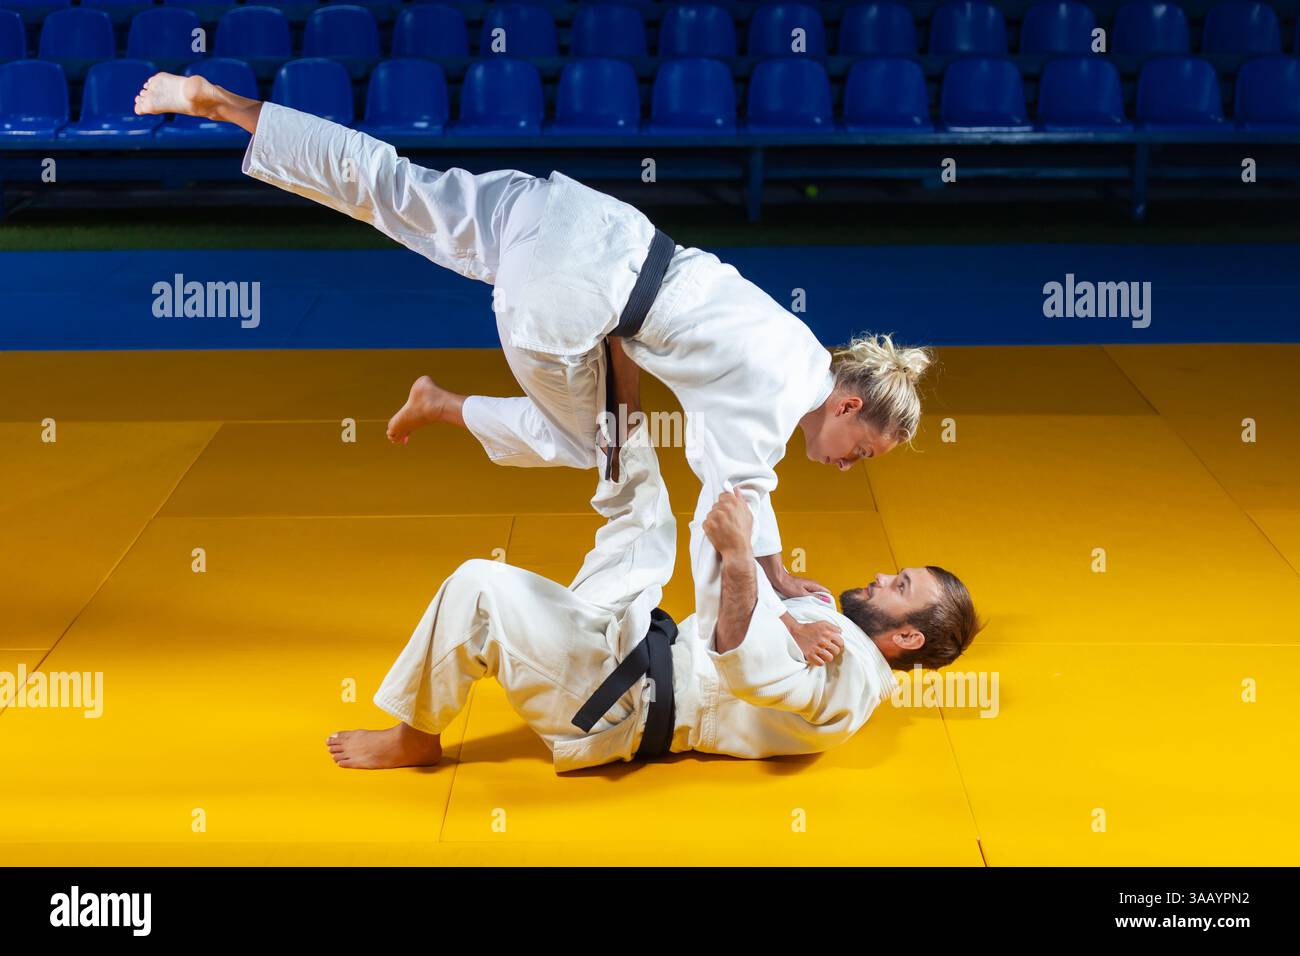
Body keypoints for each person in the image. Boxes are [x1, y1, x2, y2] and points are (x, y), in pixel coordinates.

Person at [134, 73, 934, 658]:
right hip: (568, 297)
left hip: (573, 215)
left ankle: (225, 105)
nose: (846, 468)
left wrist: (775, 557)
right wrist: (778, 584)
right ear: (849, 407)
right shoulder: (779, 388)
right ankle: (447, 411)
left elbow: (750, 484)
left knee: (391, 186)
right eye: (860, 455)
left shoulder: (795, 340)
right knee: (611, 461)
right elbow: (734, 502)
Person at [325, 428, 981, 774]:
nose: (878, 578)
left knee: (477, 585)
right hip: (635, 641)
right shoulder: (836, 631)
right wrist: (779, 584)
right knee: (640, 493)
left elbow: (746, 667)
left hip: (618, 700)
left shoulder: (854, 683)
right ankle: (616, 372)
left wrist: (738, 563)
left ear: (908, 639)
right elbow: (768, 634)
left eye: (899, 588)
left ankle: (415, 738)